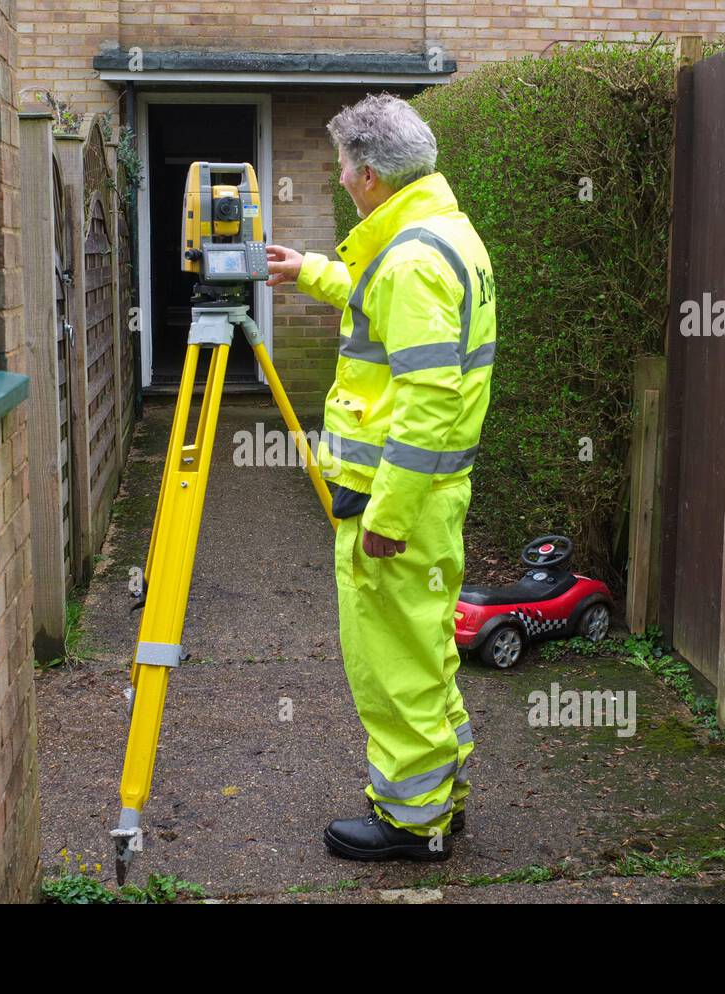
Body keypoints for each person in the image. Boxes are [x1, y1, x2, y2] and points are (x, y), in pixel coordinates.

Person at [266, 93, 496, 861]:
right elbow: (381, 303)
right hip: (431, 499)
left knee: (392, 666)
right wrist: (311, 273)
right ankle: (441, 799)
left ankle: (411, 824)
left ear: (368, 174)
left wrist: (388, 518)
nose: (337, 179)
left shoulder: (414, 259)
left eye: (340, 167)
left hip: (397, 506)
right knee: (425, 653)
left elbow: (430, 400)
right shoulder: (443, 237)